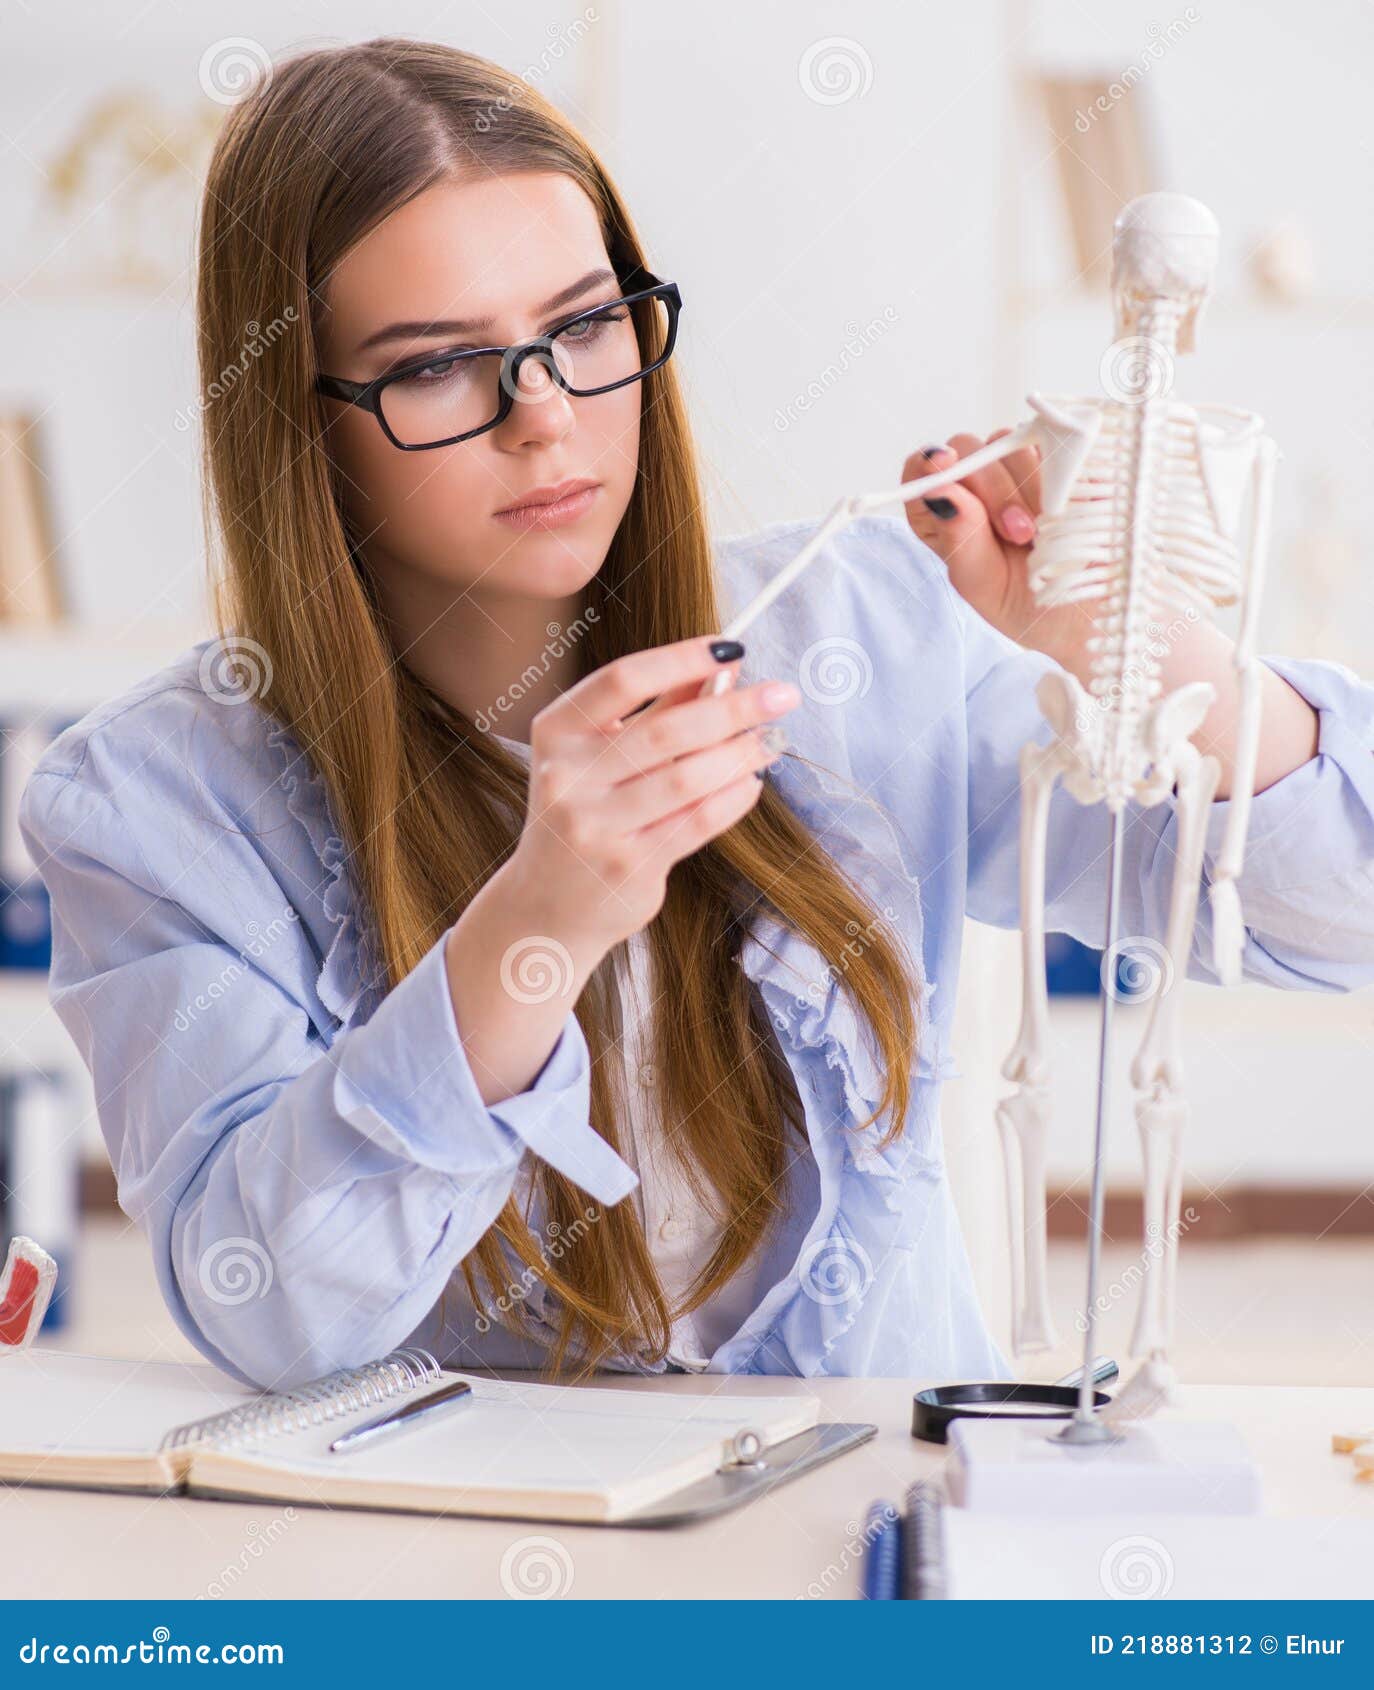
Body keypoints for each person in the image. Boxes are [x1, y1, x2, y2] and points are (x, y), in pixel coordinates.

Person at [19, 39, 1374, 1391]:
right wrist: (535, 927)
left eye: (585, 324)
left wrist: (1125, 638)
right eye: (435, 365)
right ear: (298, 424)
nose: (543, 416)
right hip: (468, 1583)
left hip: (877, 1557)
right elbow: (271, 1309)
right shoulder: (151, 799)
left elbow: (1346, 912)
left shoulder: (862, 637)